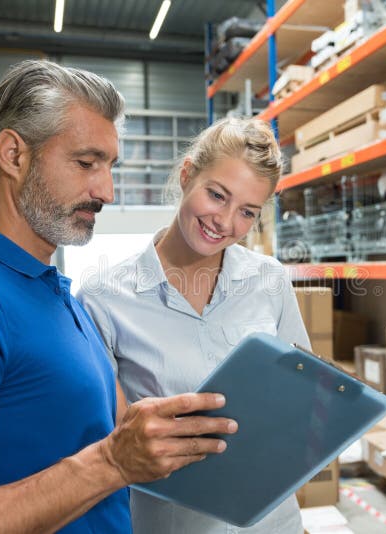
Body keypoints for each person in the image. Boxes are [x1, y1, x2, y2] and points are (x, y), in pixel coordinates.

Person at [0, 59, 237, 534]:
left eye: (109, 166)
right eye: (86, 163)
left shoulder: (56, 294)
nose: (106, 190)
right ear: (13, 155)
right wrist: (111, 462)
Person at [77, 117, 309, 534]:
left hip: (272, 522)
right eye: (217, 195)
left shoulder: (269, 280)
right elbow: (108, 443)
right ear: (187, 175)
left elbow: (303, 394)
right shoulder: (104, 298)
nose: (224, 222)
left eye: (247, 212)